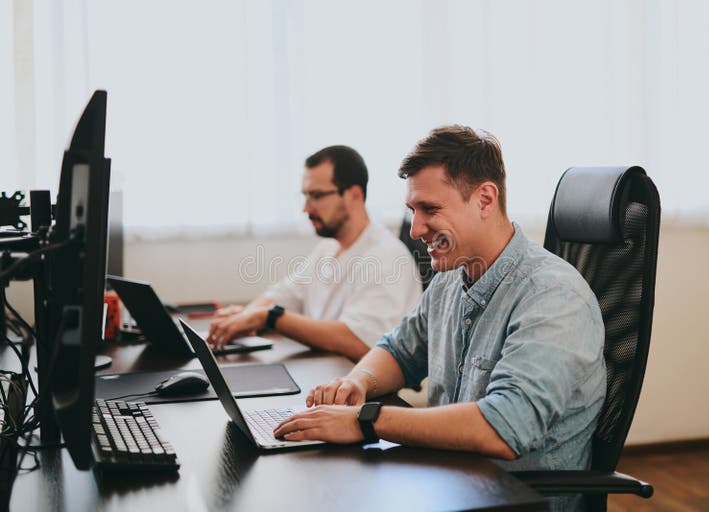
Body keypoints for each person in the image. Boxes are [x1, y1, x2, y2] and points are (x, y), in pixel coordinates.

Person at [273, 126, 606, 512]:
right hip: (449, 484)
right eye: (412, 211)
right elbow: (399, 350)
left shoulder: (552, 296)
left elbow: (503, 426)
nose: (415, 230)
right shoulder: (451, 278)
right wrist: (357, 383)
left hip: (511, 500)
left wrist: (366, 420)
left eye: (430, 209)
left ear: (485, 199)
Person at [207, 145, 422, 362]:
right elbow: (283, 295)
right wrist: (245, 318)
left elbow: (361, 342)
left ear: (354, 195)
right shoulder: (328, 249)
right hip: (327, 374)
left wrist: (268, 318)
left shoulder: (386, 256)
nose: (306, 208)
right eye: (305, 196)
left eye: (316, 196)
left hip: (365, 388)